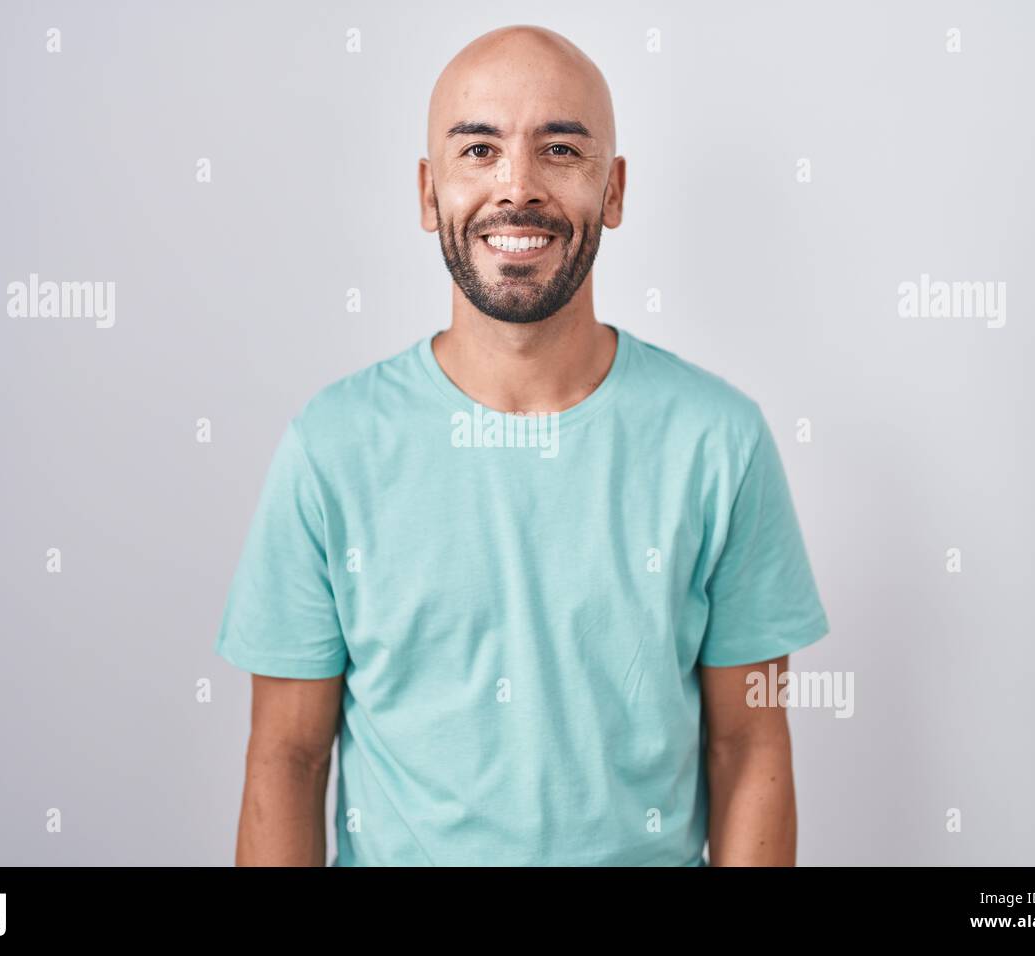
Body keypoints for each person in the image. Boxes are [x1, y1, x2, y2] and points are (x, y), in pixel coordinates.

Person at [214, 24, 830, 866]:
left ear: (613, 192)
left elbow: (750, 744)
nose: (518, 188)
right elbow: (288, 757)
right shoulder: (331, 448)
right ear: (429, 194)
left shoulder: (720, 442)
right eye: (479, 149)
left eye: (561, 151)